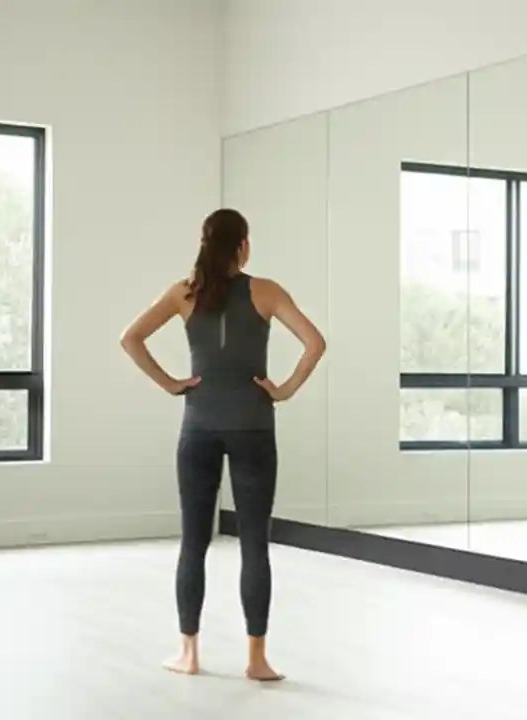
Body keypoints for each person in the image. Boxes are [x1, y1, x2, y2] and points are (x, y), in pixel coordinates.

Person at [119, 209, 326, 679]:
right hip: (254, 426)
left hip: (199, 427)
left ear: (204, 243)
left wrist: (172, 384)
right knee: (255, 544)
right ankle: (256, 659)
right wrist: (285, 389)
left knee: (193, 542)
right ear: (243, 245)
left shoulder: (183, 292)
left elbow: (130, 338)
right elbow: (314, 342)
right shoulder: (266, 291)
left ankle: (188, 653)